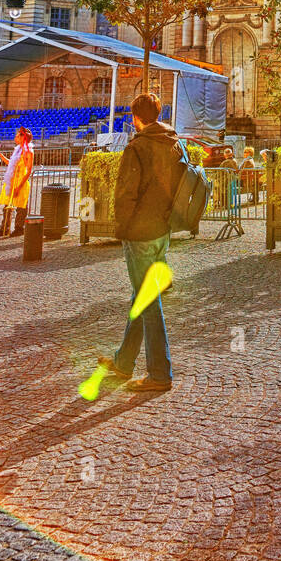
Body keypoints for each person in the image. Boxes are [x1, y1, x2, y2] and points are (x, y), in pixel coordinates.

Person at [97, 93, 180, 393]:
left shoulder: (138, 147)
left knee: (148, 302)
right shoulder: (174, 143)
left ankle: (160, 373)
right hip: (162, 232)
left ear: (135, 118)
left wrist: (122, 229)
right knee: (141, 296)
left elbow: (125, 194)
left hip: (141, 234)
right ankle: (124, 361)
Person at [0, 127, 34, 238]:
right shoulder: (17, 150)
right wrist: (2, 157)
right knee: (7, 205)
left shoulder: (28, 152)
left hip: (20, 181)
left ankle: (19, 228)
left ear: (22, 138)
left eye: (17, 135)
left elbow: (29, 170)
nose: (15, 137)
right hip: (11, 180)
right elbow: (12, 164)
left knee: (21, 206)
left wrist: (19, 186)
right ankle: (4, 227)